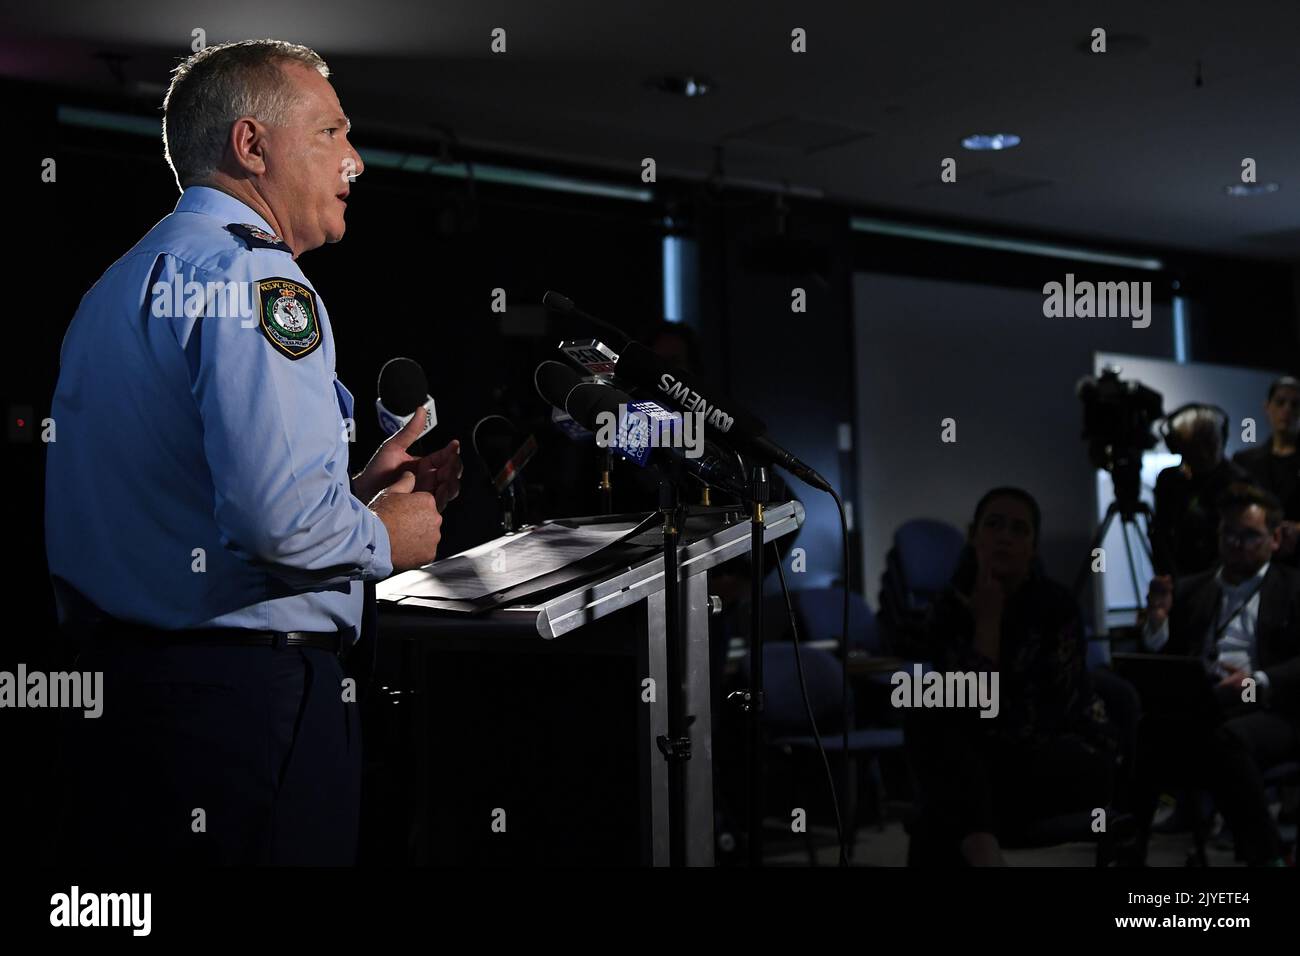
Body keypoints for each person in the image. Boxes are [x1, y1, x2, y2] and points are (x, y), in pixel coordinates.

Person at [45, 39, 461, 865]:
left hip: (128, 699)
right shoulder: (259, 280)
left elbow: (181, 503)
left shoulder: (121, 283)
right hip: (242, 705)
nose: (357, 160)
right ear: (252, 145)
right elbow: (275, 524)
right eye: (333, 133)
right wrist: (385, 538)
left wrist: (351, 492)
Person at [905, 488, 1117, 866]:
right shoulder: (948, 607)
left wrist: (988, 625)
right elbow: (965, 711)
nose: (1005, 536)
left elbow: (1033, 722)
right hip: (988, 764)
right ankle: (983, 846)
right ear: (974, 535)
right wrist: (985, 623)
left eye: (1019, 530)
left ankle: (981, 845)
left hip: (1065, 757)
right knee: (924, 711)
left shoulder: (1057, 607)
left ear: (1033, 547)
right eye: (994, 525)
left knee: (941, 804)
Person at [1132, 483, 1300, 866]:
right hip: (1207, 703)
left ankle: (1265, 854)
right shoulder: (1193, 588)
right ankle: (1130, 845)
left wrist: (1258, 682)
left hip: (1273, 706)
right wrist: (1157, 622)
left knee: (1227, 740)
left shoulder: (1293, 589)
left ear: (1275, 538)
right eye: (1229, 535)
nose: (1237, 544)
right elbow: (1166, 662)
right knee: (1150, 730)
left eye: (1250, 536)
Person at [1149, 405, 1249, 578]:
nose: (1204, 453)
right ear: (1179, 446)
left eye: (1210, 442)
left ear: (1222, 440)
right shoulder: (1169, 480)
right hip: (1178, 578)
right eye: (1196, 444)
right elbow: (1161, 535)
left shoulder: (1239, 481)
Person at [1233, 375, 1300, 567]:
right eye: (1280, 402)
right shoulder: (1244, 461)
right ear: (1267, 407)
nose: (1287, 410)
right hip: (1254, 562)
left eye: (1295, 405)